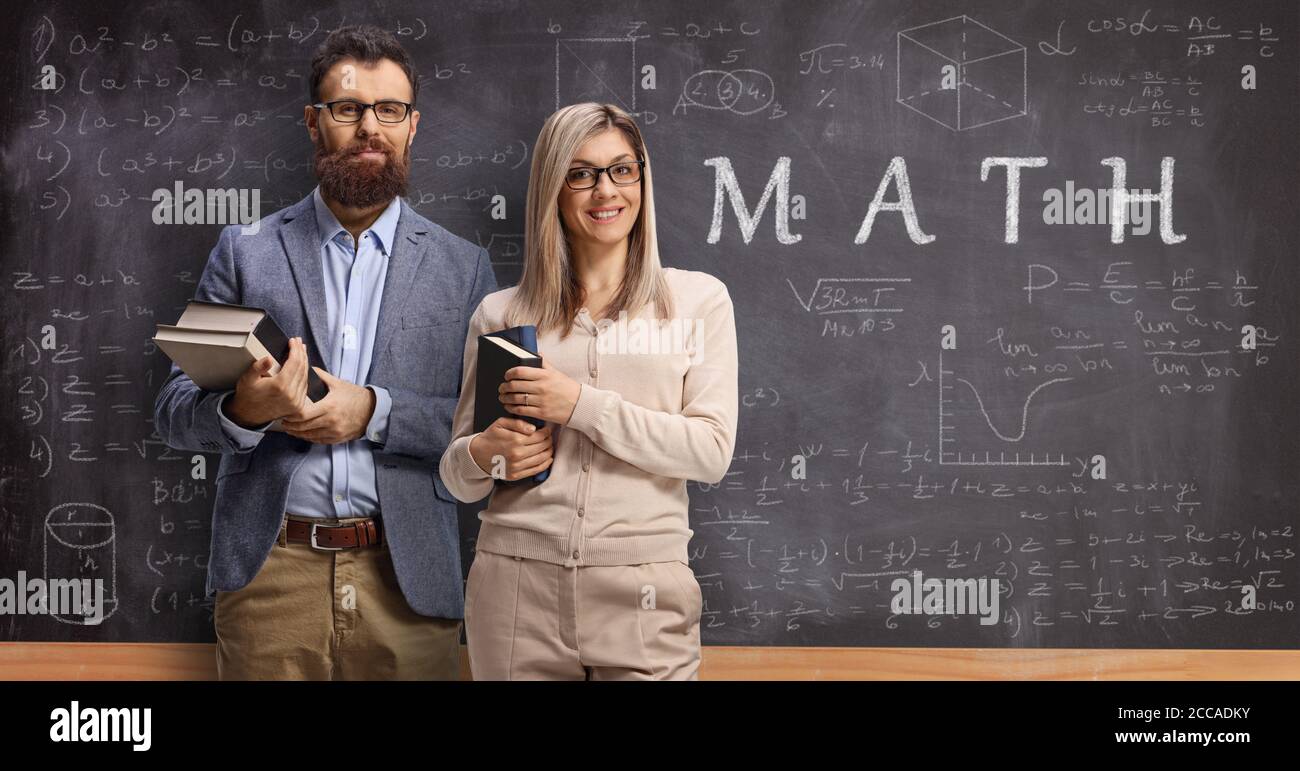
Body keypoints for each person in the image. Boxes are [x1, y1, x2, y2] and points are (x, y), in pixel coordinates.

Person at [153, 25, 497, 680]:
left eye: (388, 109)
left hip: (410, 581)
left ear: (412, 126)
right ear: (315, 122)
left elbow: (481, 425)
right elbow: (173, 410)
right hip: (270, 580)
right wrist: (244, 410)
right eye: (348, 108)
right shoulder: (245, 250)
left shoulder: (463, 267)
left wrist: (373, 411)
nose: (370, 127)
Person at [438, 102, 738, 680]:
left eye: (622, 170)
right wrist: (484, 454)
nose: (606, 190)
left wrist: (579, 406)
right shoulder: (502, 313)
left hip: (644, 590)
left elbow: (710, 452)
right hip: (515, 588)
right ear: (555, 186)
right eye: (582, 173)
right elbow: (458, 477)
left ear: (642, 180)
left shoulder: (699, 302)